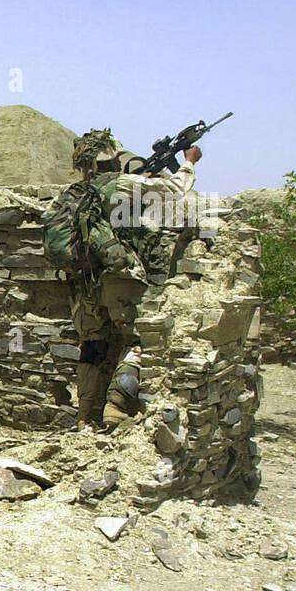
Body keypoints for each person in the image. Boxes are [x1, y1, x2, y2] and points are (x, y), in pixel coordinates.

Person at [51, 128, 202, 429]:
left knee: (92, 345)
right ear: (113, 158)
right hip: (119, 277)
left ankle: (84, 416)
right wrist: (189, 162)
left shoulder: (73, 194)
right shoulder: (122, 184)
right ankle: (116, 407)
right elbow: (175, 190)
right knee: (139, 339)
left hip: (83, 283)